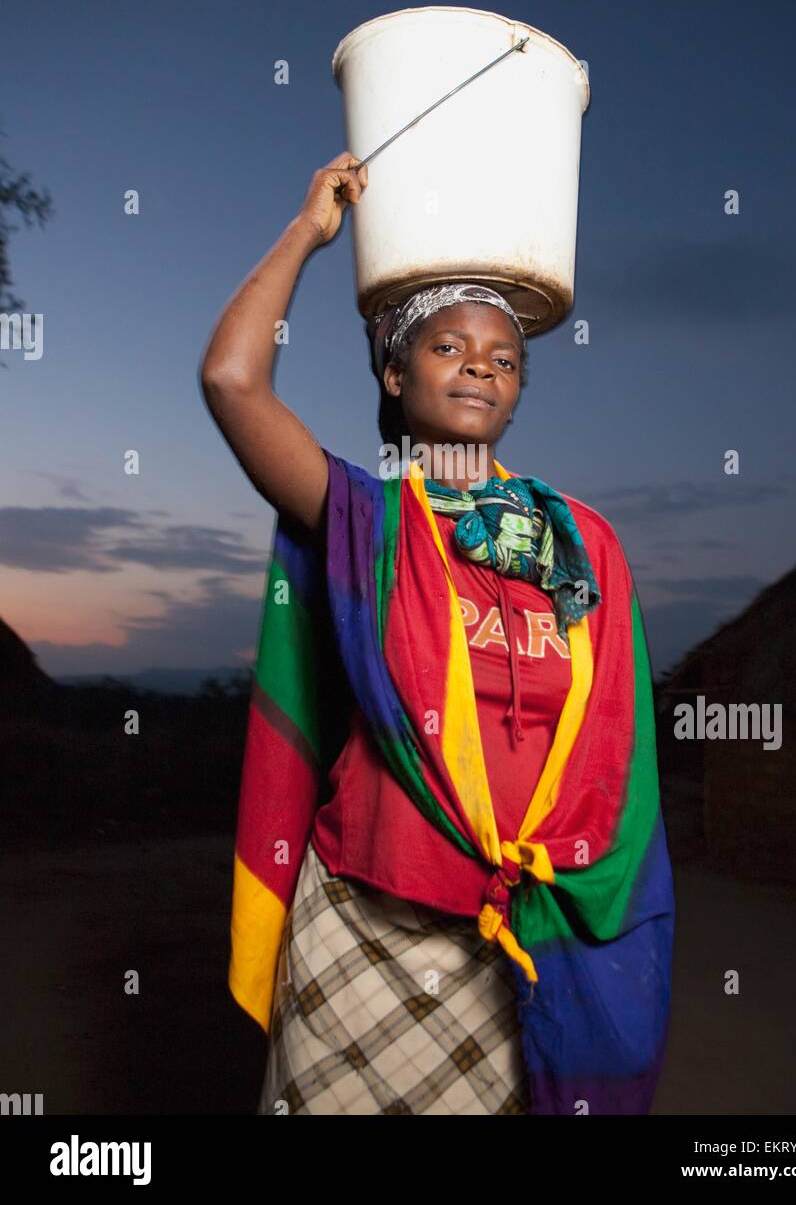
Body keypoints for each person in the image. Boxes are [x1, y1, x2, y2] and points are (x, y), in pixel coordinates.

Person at [200, 153, 675, 1116]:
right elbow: (231, 381)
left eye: (504, 359)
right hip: (364, 932)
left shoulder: (583, 547)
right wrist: (308, 232)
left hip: (515, 948)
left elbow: (618, 762)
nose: (480, 367)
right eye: (449, 347)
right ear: (392, 366)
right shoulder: (366, 523)